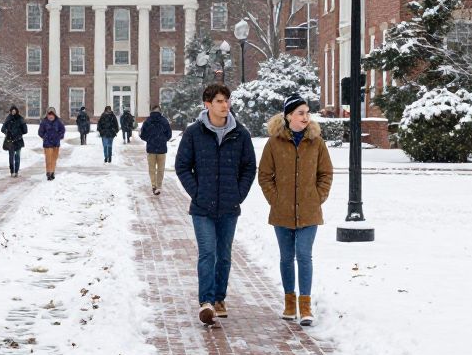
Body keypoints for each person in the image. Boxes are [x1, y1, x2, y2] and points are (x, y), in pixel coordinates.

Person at [175, 83, 256, 326]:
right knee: (208, 252)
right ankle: (206, 302)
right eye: (219, 101)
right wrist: (196, 192)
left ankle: (220, 298)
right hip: (202, 207)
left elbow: (249, 167)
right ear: (207, 104)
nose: (225, 105)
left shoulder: (240, 133)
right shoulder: (194, 133)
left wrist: (239, 193)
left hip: (229, 206)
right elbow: (182, 166)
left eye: (227, 100)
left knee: (224, 255)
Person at [258, 94, 334, 327]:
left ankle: (305, 305)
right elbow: (264, 176)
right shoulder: (274, 143)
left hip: (309, 212)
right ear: (289, 116)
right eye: (300, 113)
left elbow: (326, 174)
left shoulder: (317, 142)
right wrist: (276, 199)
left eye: (307, 112)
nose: (305, 117)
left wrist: (317, 197)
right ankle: (289, 303)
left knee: (304, 255)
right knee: (286, 258)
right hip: (282, 212)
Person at [139, 104, 172, 196]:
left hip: (151, 148)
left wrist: (149, 139)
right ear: (160, 111)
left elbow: (142, 135)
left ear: (151, 111)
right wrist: (163, 139)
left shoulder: (147, 121)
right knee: (161, 169)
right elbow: (169, 135)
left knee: (152, 169)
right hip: (162, 149)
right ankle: (159, 186)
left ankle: (154, 185)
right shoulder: (164, 121)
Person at [37, 106, 65, 180]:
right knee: (48, 158)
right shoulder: (44, 122)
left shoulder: (58, 121)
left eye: (52, 114)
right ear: (47, 114)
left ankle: (52, 172)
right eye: (49, 114)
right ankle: (48, 172)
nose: (51, 116)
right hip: (47, 143)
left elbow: (62, 130)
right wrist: (45, 136)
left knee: (54, 159)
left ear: (54, 115)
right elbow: (40, 132)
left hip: (56, 143)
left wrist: (60, 136)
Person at [0, 105, 28, 177]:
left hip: (18, 140)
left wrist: (19, 132)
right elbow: (3, 129)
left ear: (17, 111)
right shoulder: (8, 119)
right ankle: (12, 171)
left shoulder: (20, 119)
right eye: (12, 111)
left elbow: (25, 130)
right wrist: (7, 132)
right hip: (10, 140)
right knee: (11, 157)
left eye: (14, 111)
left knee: (17, 157)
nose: (13, 112)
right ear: (10, 111)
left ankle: (16, 171)